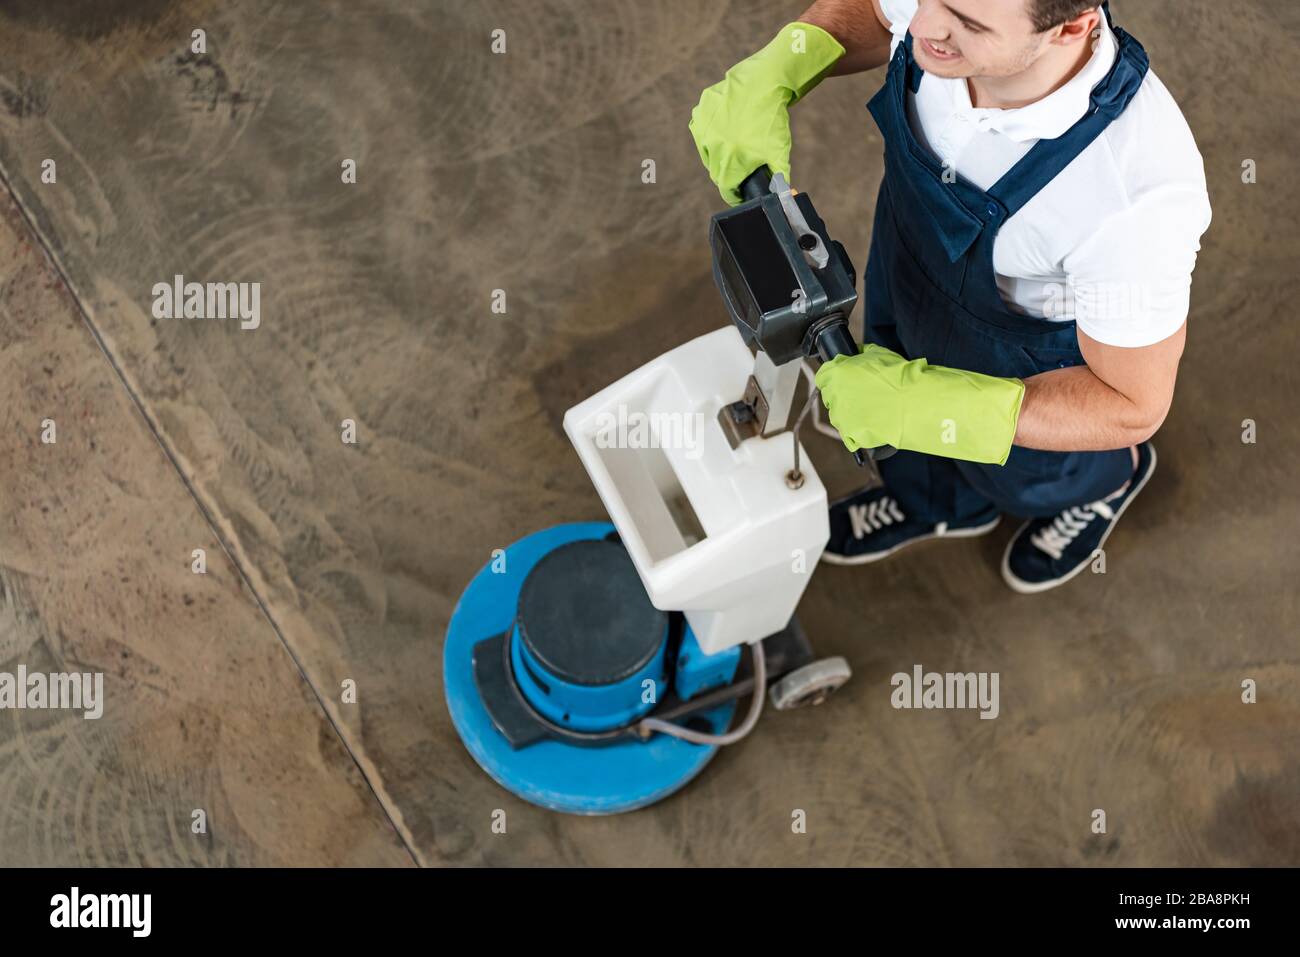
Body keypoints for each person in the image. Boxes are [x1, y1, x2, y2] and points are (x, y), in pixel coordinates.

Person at [689, 0, 1211, 592]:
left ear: (1073, 25)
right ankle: (939, 505)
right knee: (901, 426)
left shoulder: (1133, 196)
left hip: (1025, 361)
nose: (922, 24)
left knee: (1029, 476)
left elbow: (1130, 402)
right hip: (908, 260)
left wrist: (939, 407)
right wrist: (784, 62)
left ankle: (1102, 485)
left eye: (969, 24)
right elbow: (881, 14)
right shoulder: (942, 9)